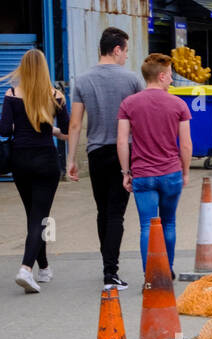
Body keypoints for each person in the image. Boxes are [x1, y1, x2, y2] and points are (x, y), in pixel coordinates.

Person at [64, 26, 143, 290]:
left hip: (96, 152)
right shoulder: (132, 80)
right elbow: (141, 120)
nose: (125, 58)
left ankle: (107, 267)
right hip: (125, 153)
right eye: (125, 51)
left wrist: (70, 160)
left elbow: (75, 125)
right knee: (116, 214)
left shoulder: (83, 80)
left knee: (102, 211)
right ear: (117, 49)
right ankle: (111, 272)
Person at [117, 53, 191, 275]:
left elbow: (122, 141)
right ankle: (166, 271)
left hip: (143, 175)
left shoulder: (129, 104)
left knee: (147, 225)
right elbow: (186, 144)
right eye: (170, 75)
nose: (171, 80)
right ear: (161, 76)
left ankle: (151, 275)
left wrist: (125, 172)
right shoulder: (178, 104)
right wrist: (185, 171)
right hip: (171, 173)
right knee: (168, 223)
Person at [1, 49, 67, 293]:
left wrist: (19, 123)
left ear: (23, 69)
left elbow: (4, 129)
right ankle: (26, 269)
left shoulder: (11, 94)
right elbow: (68, 130)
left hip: (20, 161)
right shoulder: (56, 96)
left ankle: (45, 268)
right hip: (46, 162)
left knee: (34, 216)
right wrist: (54, 131)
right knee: (40, 218)